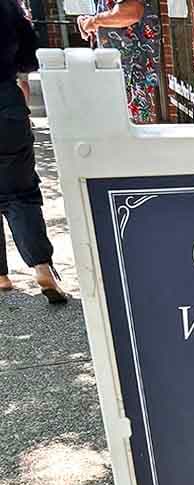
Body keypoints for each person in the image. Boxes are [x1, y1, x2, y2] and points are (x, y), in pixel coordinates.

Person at [0, 0, 68, 302]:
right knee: (19, 192)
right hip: (5, 102)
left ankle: (1, 276)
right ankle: (41, 267)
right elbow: (29, 55)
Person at [77, 0, 160, 124]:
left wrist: (94, 22)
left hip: (131, 75)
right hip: (120, 74)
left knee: (132, 127)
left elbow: (131, 12)